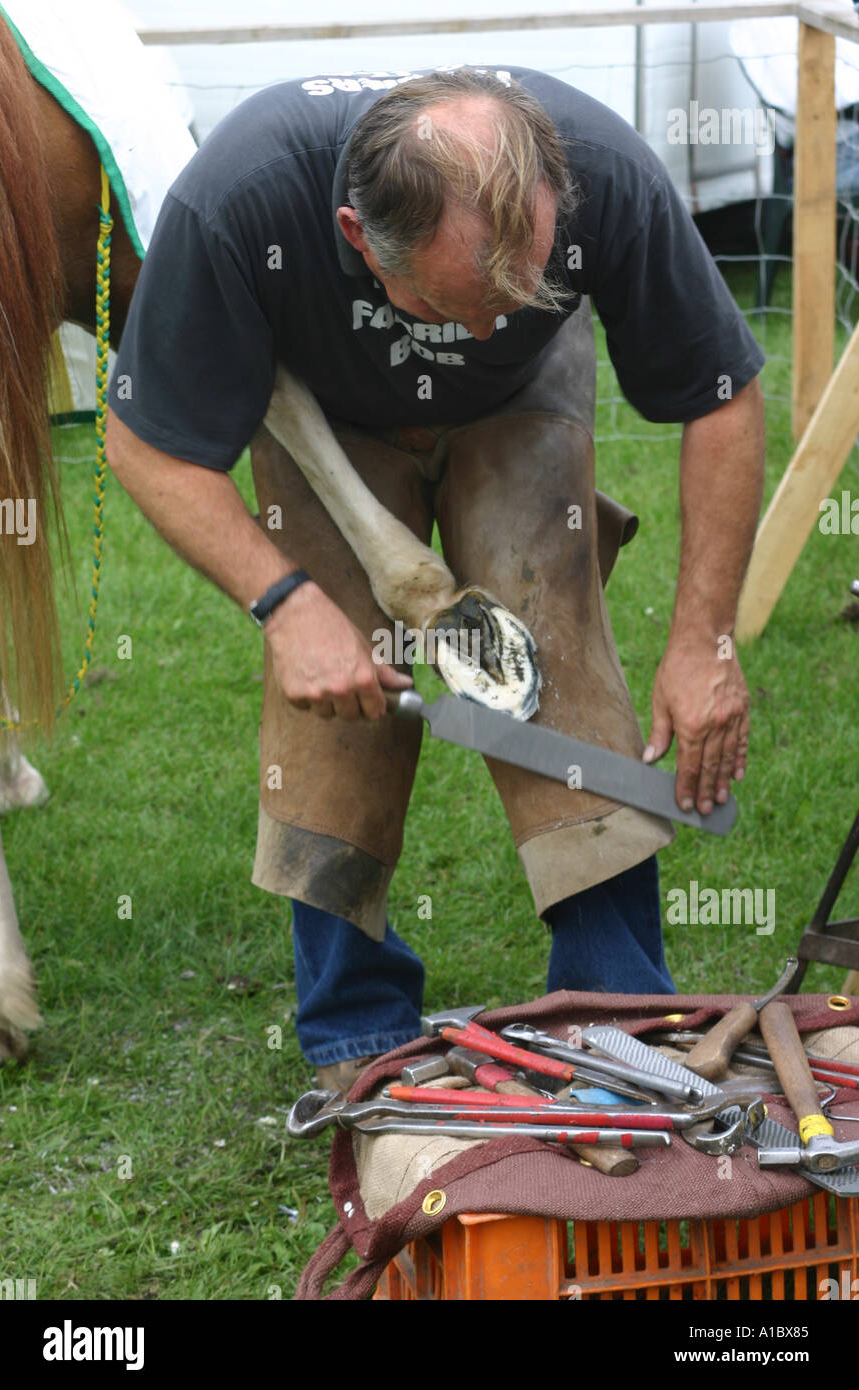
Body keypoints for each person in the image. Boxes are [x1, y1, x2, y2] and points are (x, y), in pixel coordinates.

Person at [106, 66, 765, 1093]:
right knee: (338, 697)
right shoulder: (237, 199)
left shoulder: (604, 176)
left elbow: (723, 398)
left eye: (522, 287)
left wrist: (701, 638)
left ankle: (612, 1004)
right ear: (356, 237)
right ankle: (357, 1033)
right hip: (325, 410)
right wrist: (284, 606)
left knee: (547, 645)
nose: (486, 323)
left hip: (522, 401)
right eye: (462, 300)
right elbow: (147, 444)